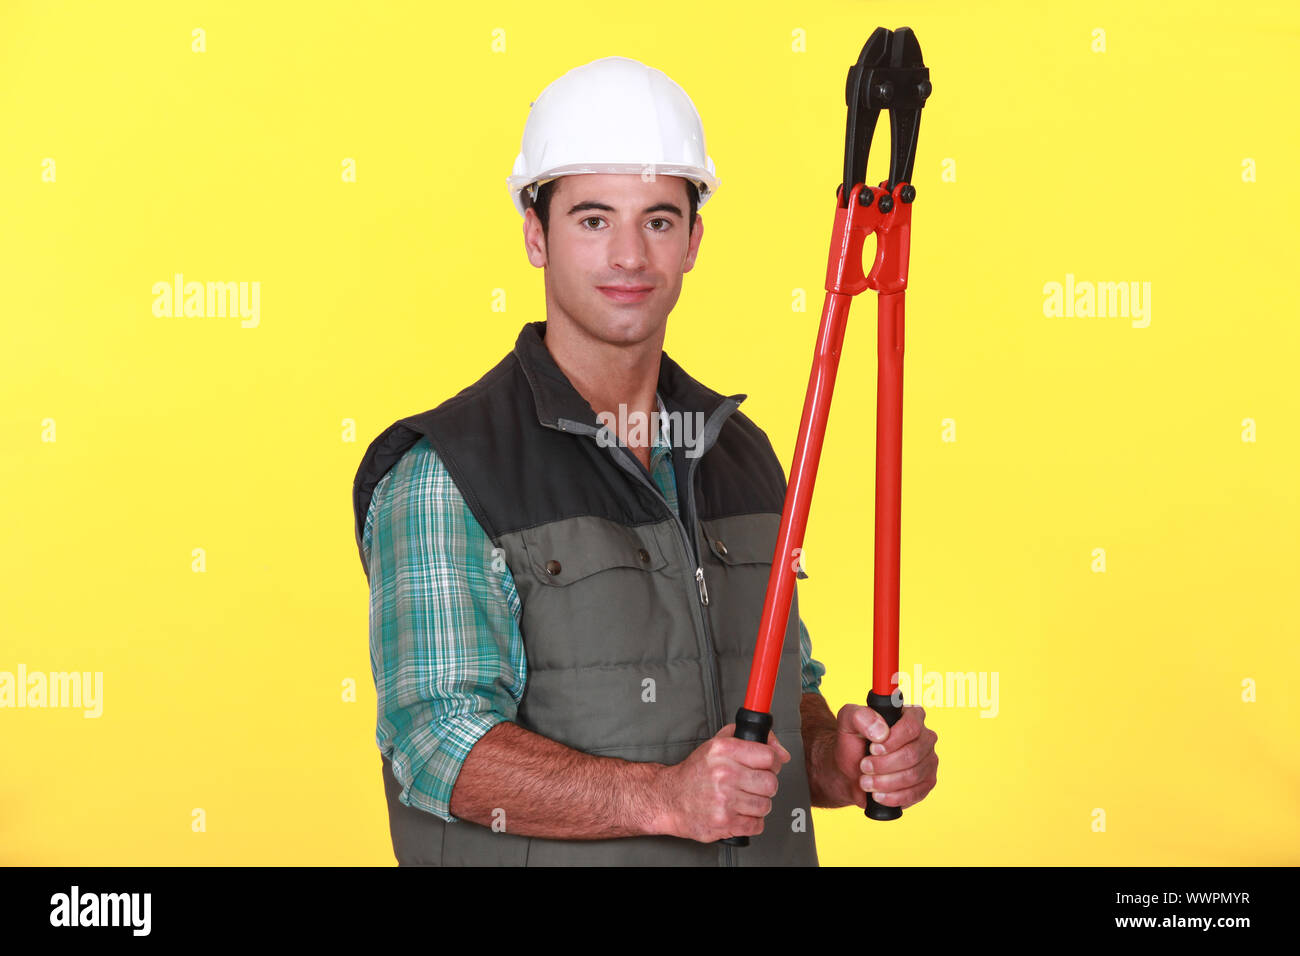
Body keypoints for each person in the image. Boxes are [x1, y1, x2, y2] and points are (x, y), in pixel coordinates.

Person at [351, 55, 938, 866]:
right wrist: (663, 798)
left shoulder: (744, 456)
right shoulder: (449, 472)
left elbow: (784, 689)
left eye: (658, 220)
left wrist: (834, 759)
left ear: (694, 239)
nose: (629, 255)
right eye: (593, 219)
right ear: (535, 233)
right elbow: (434, 742)